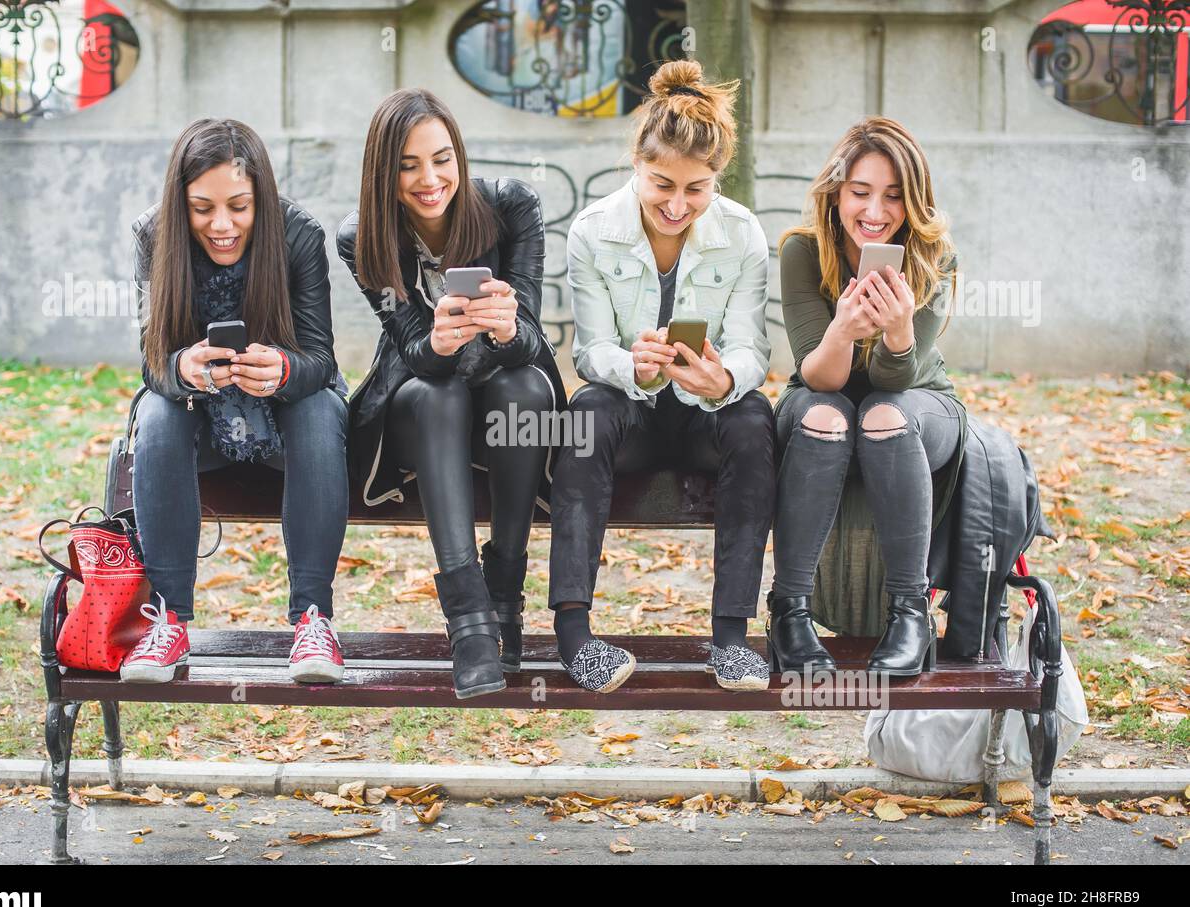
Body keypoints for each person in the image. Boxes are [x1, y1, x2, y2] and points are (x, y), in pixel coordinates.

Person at [547, 60, 776, 693]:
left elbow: (753, 345)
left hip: (707, 414)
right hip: (633, 412)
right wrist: (634, 366)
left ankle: (731, 639)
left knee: (756, 418)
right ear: (637, 167)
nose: (678, 205)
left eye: (696, 189)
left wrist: (724, 380)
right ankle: (575, 634)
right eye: (662, 184)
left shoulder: (743, 233)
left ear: (716, 180)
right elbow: (590, 351)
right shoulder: (594, 231)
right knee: (587, 413)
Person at [336, 89, 567, 700]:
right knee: (438, 394)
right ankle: (469, 624)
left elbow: (532, 342)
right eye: (408, 165)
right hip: (424, 410)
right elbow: (410, 354)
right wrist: (438, 342)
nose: (429, 179)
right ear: (383, 174)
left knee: (521, 385)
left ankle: (505, 599)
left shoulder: (511, 207)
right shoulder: (362, 237)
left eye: (441, 159)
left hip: (505, 402)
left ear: (459, 156)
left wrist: (507, 327)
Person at [126, 118, 349, 685]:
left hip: (292, 421)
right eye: (202, 208)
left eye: (239, 206)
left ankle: (313, 620)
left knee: (320, 407)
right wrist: (182, 368)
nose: (221, 225)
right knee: (155, 412)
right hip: (201, 424)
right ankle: (168, 618)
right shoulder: (154, 236)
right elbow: (152, 363)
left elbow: (321, 359)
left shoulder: (298, 234)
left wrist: (283, 369)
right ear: (181, 203)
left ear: (262, 200)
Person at [770, 115, 963, 677]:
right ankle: (790, 613)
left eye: (893, 197)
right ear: (836, 194)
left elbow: (896, 382)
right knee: (827, 416)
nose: (875, 212)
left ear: (913, 204)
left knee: (882, 413)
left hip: (920, 400)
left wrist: (898, 333)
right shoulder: (802, 253)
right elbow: (819, 377)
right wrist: (844, 330)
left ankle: (910, 612)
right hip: (819, 391)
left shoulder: (933, 258)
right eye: (860, 193)